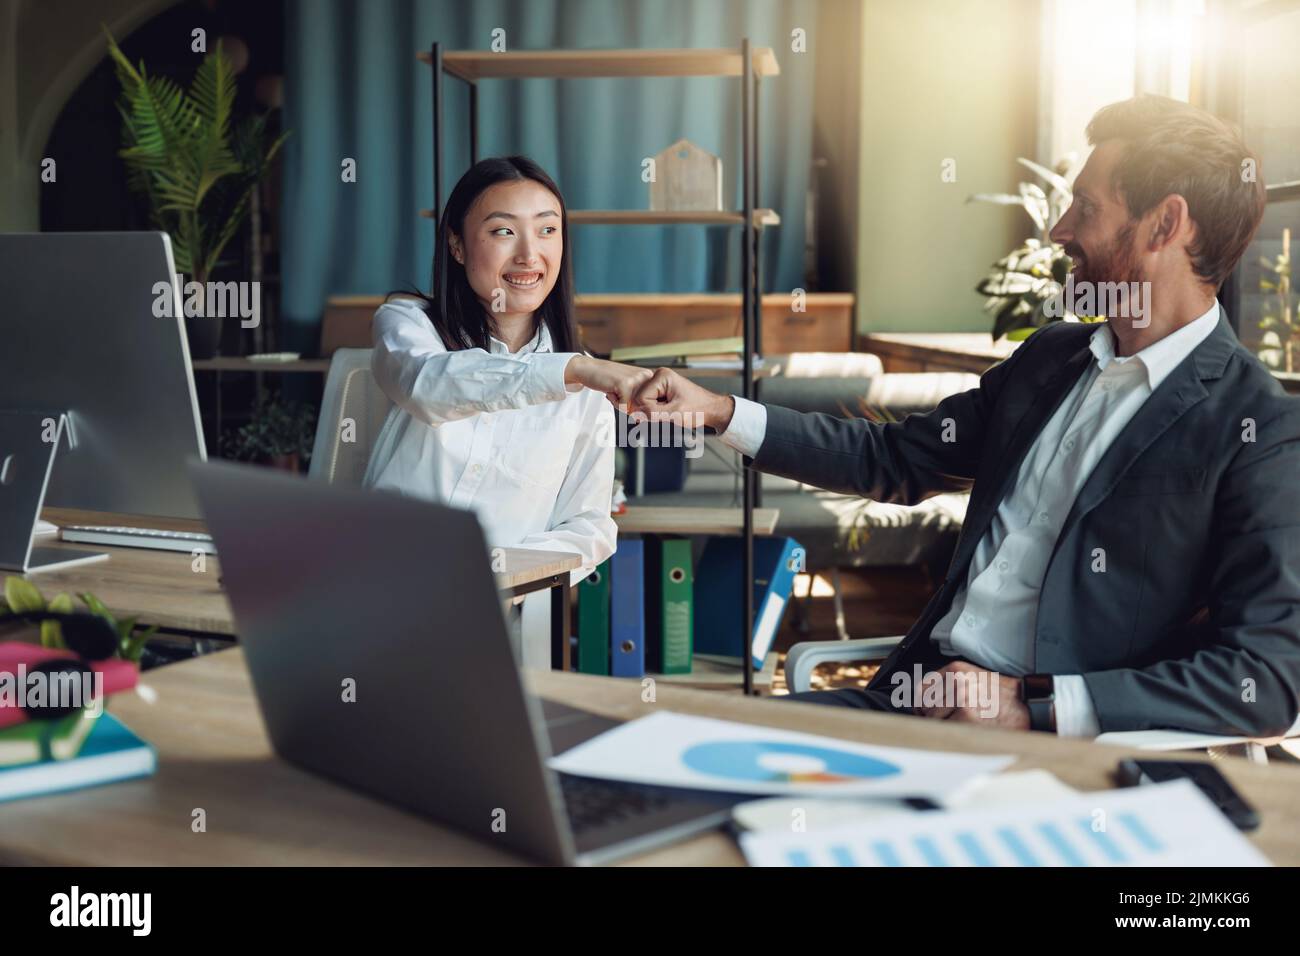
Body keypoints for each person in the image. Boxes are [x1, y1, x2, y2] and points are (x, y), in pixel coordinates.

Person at [632, 95, 1300, 738]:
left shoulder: (1258, 429)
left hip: (1051, 743)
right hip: (911, 701)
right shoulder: (1051, 359)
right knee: (671, 745)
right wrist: (718, 412)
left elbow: (1267, 678)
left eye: (1086, 207)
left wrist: (1032, 708)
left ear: (1164, 224)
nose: (1059, 228)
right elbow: (893, 460)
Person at [364, 156, 651, 663]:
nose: (529, 254)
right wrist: (573, 372)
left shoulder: (585, 390)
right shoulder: (409, 323)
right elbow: (429, 387)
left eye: (547, 230)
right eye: (503, 231)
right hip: (376, 594)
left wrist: (497, 573)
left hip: (487, 623)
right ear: (456, 244)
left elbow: (590, 525)